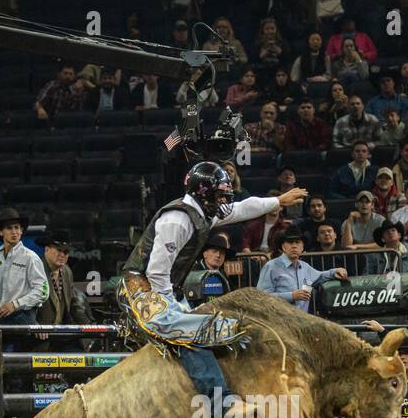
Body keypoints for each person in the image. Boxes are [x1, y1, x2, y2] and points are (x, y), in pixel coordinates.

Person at [120, 162, 306, 405]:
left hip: (165, 290)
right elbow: (156, 272)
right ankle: (221, 405)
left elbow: (241, 208)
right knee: (198, 332)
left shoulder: (205, 211)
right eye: (220, 195)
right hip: (140, 290)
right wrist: (173, 309)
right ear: (204, 192)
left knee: (213, 330)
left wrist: (277, 201)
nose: (224, 202)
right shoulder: (176, 220)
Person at [0, 207, 48, 329]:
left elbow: (43, 291)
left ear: (21, 231)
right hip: (2, 316)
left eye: (17, 227)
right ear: (1, 232)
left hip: (24, 315)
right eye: (9, 228)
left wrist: (15, 304)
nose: (14, 232)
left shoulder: (30, 257)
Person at [255, 230, 347, 312]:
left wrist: (336, 271)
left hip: (302, 322)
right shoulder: (271, 266)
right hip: (279, 321)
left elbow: (320, 276)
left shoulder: (305, 267)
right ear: (283, 247)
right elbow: (261, 296)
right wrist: (291, 296)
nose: (294, 246)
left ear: (302, 247)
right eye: (290, 242)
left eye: (297, 242)